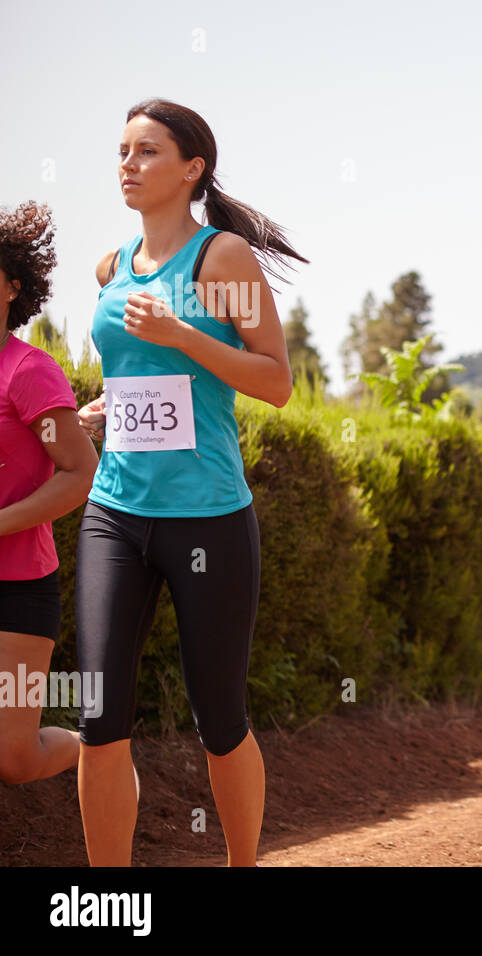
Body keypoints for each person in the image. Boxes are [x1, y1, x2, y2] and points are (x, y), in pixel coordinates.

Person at [74, 98, 305, 866]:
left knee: (219, 718)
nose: (127, 165)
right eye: (121, 151)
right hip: (115, 511)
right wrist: (103, 409)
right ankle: (109, 896)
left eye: (146, 152)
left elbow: (275, 381)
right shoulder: (109, 267)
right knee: (100, 716)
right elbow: (138, 378)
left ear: (192, 168)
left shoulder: (221, 262)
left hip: (206, 516)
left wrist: (180, 334)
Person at [0, 202, 99, 787]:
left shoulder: (29, 371)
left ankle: (99, 756)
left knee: (14, 760)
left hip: (17, 586)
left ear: (14, 286)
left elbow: (77, 473)